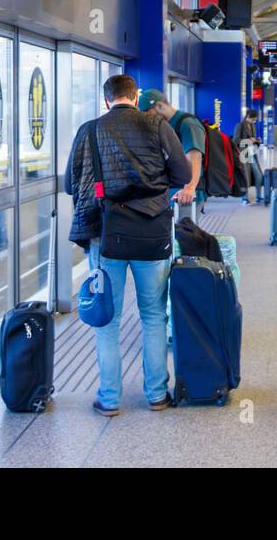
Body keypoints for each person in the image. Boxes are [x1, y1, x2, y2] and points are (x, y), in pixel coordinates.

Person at [65, 74, 191, 416]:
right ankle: (156, 395)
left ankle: (109, 399)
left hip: (107, 238)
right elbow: (181, 172)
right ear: (135, 97)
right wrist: (152, 189)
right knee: (153, 316)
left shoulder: (89, 131)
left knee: (108, 319)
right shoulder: (157, 124)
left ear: (107, 100)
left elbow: (70, 184)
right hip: (152, 235)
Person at [138, 90, 203, 207]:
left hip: (185, 192)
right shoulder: (164, 124)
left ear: (160, 105)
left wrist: (189, 188)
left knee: (184, 225)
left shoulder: (187, 124)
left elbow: (195, 156)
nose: (147, 118)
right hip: (171, 190)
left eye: (148, 113)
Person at [234, 107, 264, 205]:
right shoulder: (240, 125)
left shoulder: (252, 125)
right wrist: (250, 141)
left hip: (252, 152)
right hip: (244, 153)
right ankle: (244, 198)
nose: (254, 120)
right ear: (247, 116)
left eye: (255, 119)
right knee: (245, 175)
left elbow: (252, 138)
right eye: (253, 118)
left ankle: (259, 196)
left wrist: (256, 140)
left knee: (259, 175)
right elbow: (235, 141)